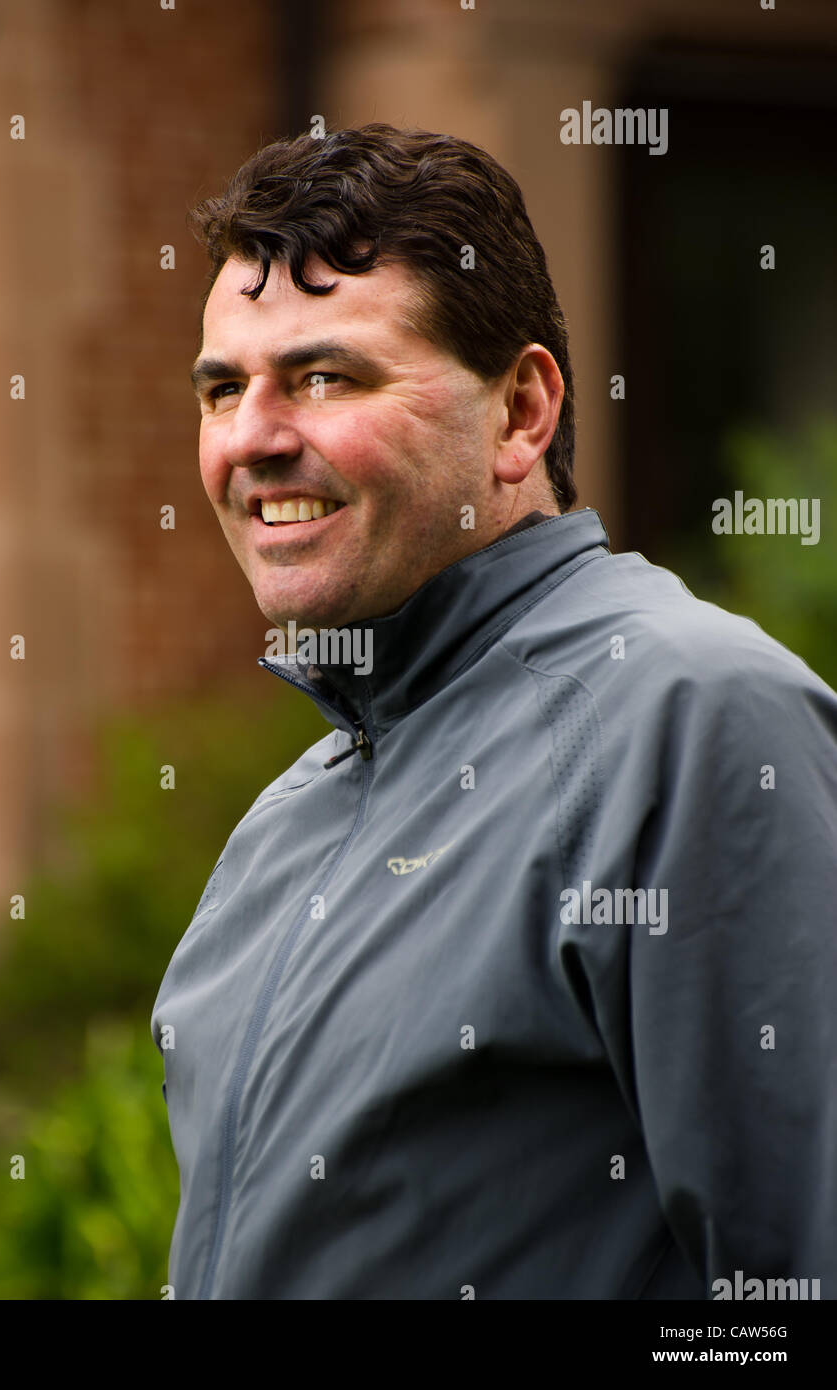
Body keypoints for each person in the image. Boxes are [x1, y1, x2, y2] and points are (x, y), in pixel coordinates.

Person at [150, 123, 837, 1300]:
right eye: (224, 389)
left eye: (323, 377)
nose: (251, 440)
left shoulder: (690, 719)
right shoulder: (288, 819)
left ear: (520, 414)